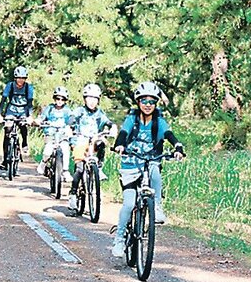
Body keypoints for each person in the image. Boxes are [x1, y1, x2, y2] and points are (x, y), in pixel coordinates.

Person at [110, 81, 186, 256]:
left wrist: (178, 147)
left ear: (156, 103)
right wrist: (120, 145)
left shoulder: (158, 122)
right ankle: (119, 239)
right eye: (144, 101)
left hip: (150, 160)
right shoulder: (132, 119)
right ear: (138, 102)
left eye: (152, 102)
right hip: (130, 164)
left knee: (154, 171)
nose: (147, 105)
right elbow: (123, 133)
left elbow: (169, 135)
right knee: (129, 204)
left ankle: (157, 206)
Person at [67, 83, 114, 211]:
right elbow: (72, 118)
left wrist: (110, 126)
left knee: (101, 143)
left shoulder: (99, 113)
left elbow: (106, 121)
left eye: (95, 99)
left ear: (98, 100)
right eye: (89, 98)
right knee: (80, 169)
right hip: (80, 140)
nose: (92, 101)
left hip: (93, 140)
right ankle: (73, 194)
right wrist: (70, 126)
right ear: (84, 98)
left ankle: (99, 166)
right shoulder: (80, 111)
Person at [0, 65, 36, 169]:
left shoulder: (29, 88)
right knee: (8, 131)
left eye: (23, 78)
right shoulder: (9, 86)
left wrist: (30, 116)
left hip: (23, 110)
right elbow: (3, 100)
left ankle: (24, 142)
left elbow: (30, 104)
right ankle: (5, 159)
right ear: (15, 78)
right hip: (11, 110)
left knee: (23, 125)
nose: (20, 80)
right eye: (19, 78)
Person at [34, 86, 74, 176]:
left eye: (62, 99)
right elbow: (42, 117)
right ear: (54, 98)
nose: (60, 101)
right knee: (48, 150)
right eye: (58, 98)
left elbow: (71, 118)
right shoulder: (50, 108)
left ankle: (65, 170)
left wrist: (69, 125)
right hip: (50, 133)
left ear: (65, 100)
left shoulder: (67, 110)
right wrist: (38, 121)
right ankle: (43, 163)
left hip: (62, 134)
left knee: (65, 149)